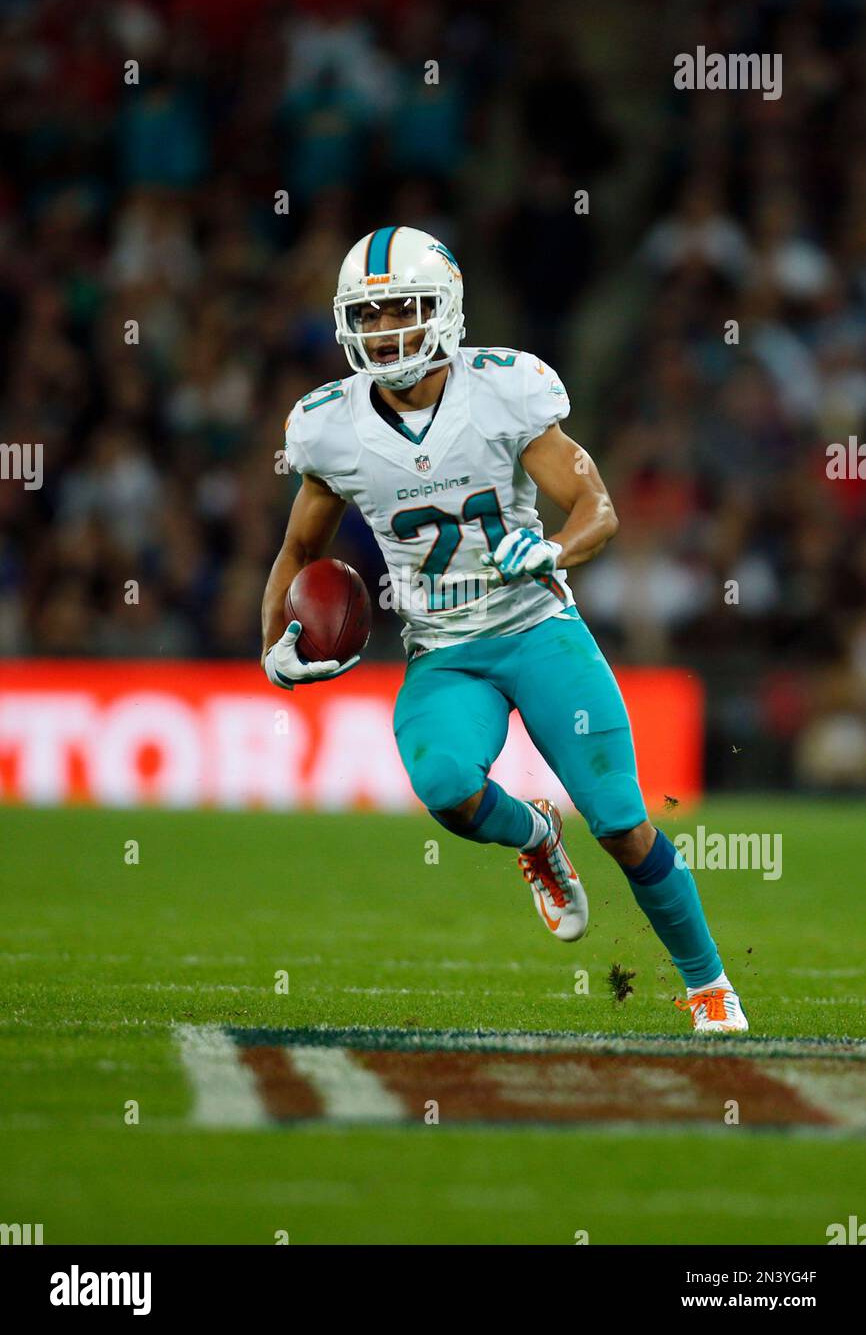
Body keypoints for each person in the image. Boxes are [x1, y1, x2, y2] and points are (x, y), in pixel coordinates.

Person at [261, 225, 748, 1033]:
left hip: (538, 629)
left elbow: (599, 509)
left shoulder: (507, 387)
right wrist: (273, 641)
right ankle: (536, 837)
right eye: (369, 316)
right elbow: (298, 549)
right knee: (447, 789)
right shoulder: (328, 426)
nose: (384, 332)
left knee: (625, 826)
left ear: (445, 308)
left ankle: (709, 987)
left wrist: (552, 547)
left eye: (403, 310)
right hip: (444, 653)